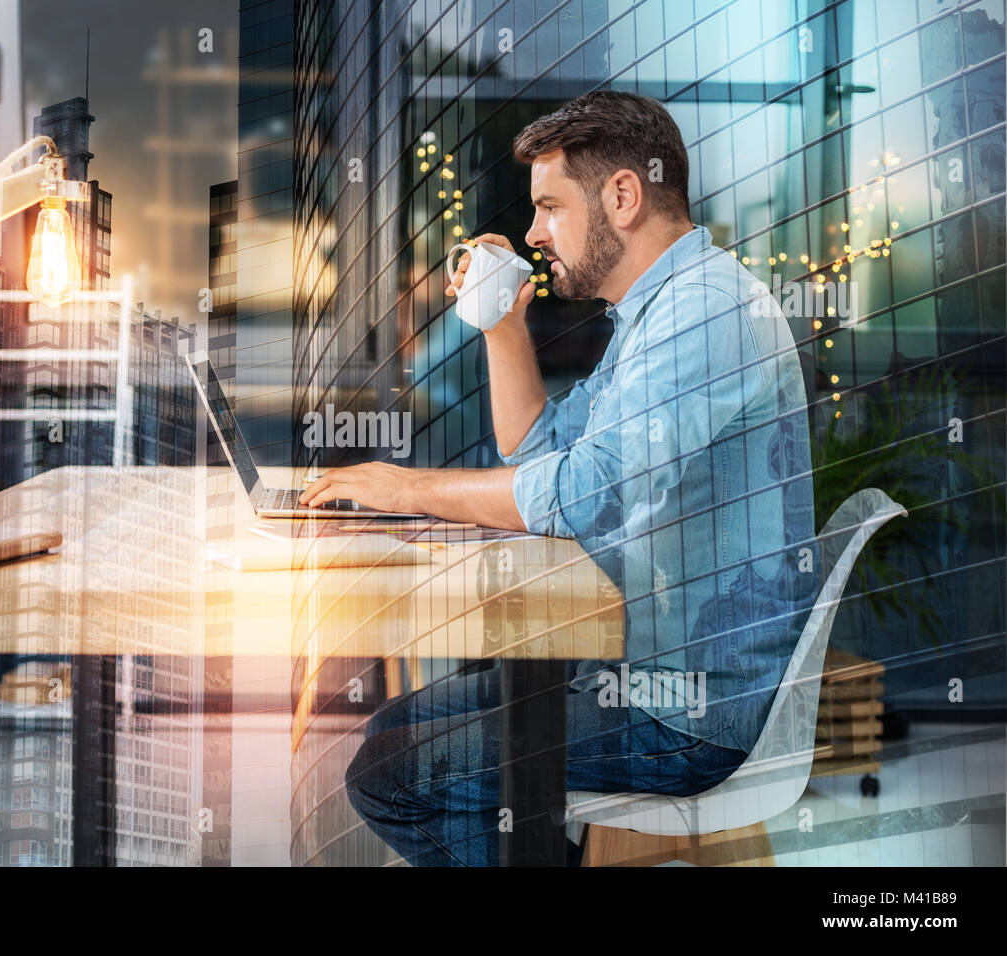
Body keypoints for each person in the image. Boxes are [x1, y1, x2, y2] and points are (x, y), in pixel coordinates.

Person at [300, 91, 819, 865]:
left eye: (549, 207)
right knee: (392, 732)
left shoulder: (704, 312)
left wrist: (407, 488)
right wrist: (502, 324)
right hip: (641, 669)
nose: (534, 233)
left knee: (392, 775)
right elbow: (542, 452)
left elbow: (587, 492)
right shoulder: (652, 314)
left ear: (623, 195)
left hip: (693, 711)